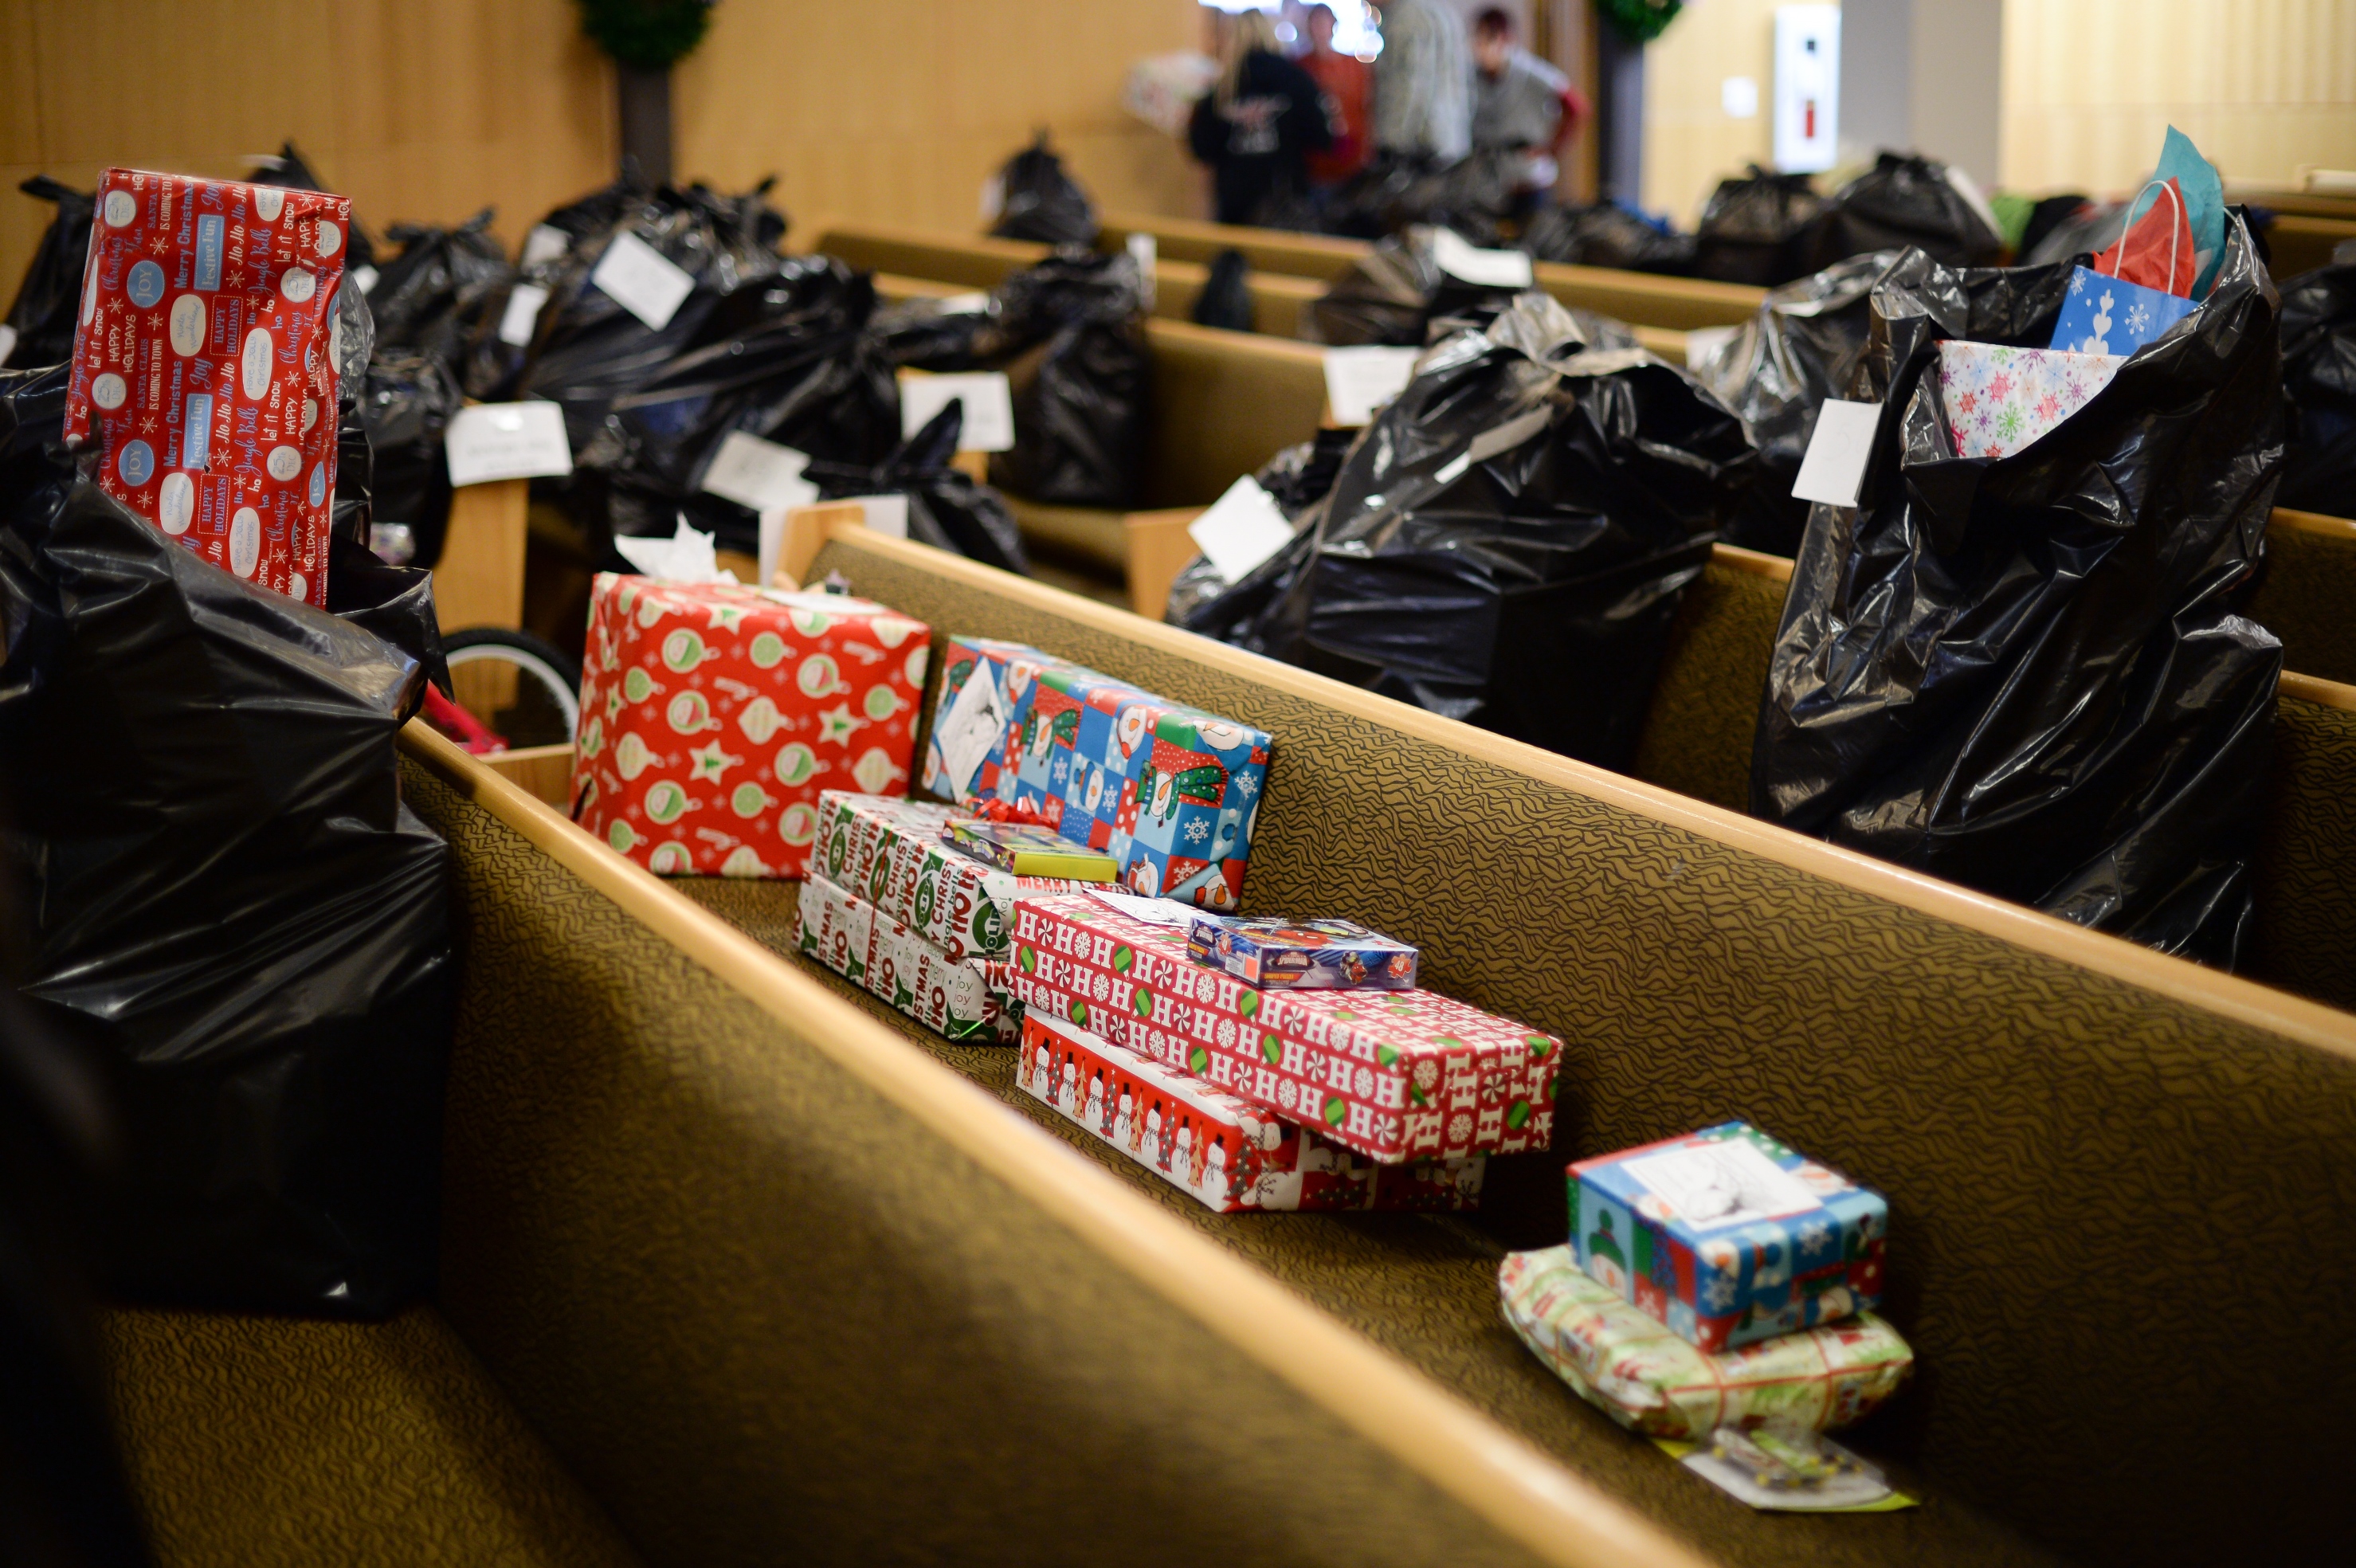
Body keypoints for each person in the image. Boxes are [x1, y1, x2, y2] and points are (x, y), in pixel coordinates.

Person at [1189, 7, 1335, 225]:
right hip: (1287, 205)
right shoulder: (1296, 79)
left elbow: (1201, 148)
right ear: (1271, 32)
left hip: (1235, 207)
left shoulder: (1222, 88)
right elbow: (1323, 138)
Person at [1470, 7, 1585, 218]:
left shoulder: (1529, 71)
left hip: (1530, 178)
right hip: (1493, 179)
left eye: (1489, 39)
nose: (1482, 49)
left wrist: (1553, 147)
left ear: (1505, 40)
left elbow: (1576, 106)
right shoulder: (1475, 77)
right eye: (1479, 39)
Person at [1368, 0, 1471, 163]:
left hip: (1419, 149)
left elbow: (1410, 86)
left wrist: (1391, 142)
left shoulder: (1404, 18)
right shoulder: (1447, 13)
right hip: (1452, 141)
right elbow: (1466, 84)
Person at [1299, 3, 1373, 191]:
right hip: (1316, 161)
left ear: (1334, 26)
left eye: (1324, 24)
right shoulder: (1301, 67)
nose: (1320, 30)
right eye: (1315, 24)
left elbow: (1366, 107)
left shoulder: (1354, 66)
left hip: (1352, 159)